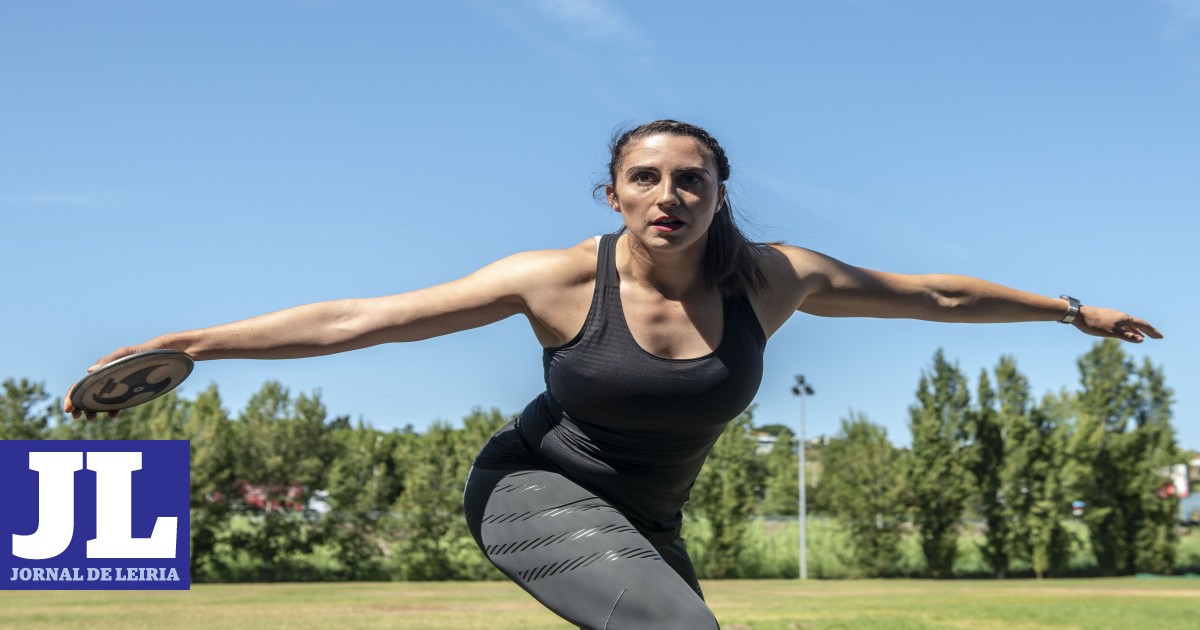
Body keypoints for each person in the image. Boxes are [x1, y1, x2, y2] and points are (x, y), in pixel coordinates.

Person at [66, 120, 1161, 628]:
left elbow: (936, 295)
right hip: (535, 487)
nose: (669, 195)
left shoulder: (776, 279)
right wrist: (199, 341)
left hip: (652, 517)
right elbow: (367, 318)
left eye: (693, 179)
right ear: (615, 195)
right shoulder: (552, 280)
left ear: (721, 195)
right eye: (647, 177)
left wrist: (1070, 310)